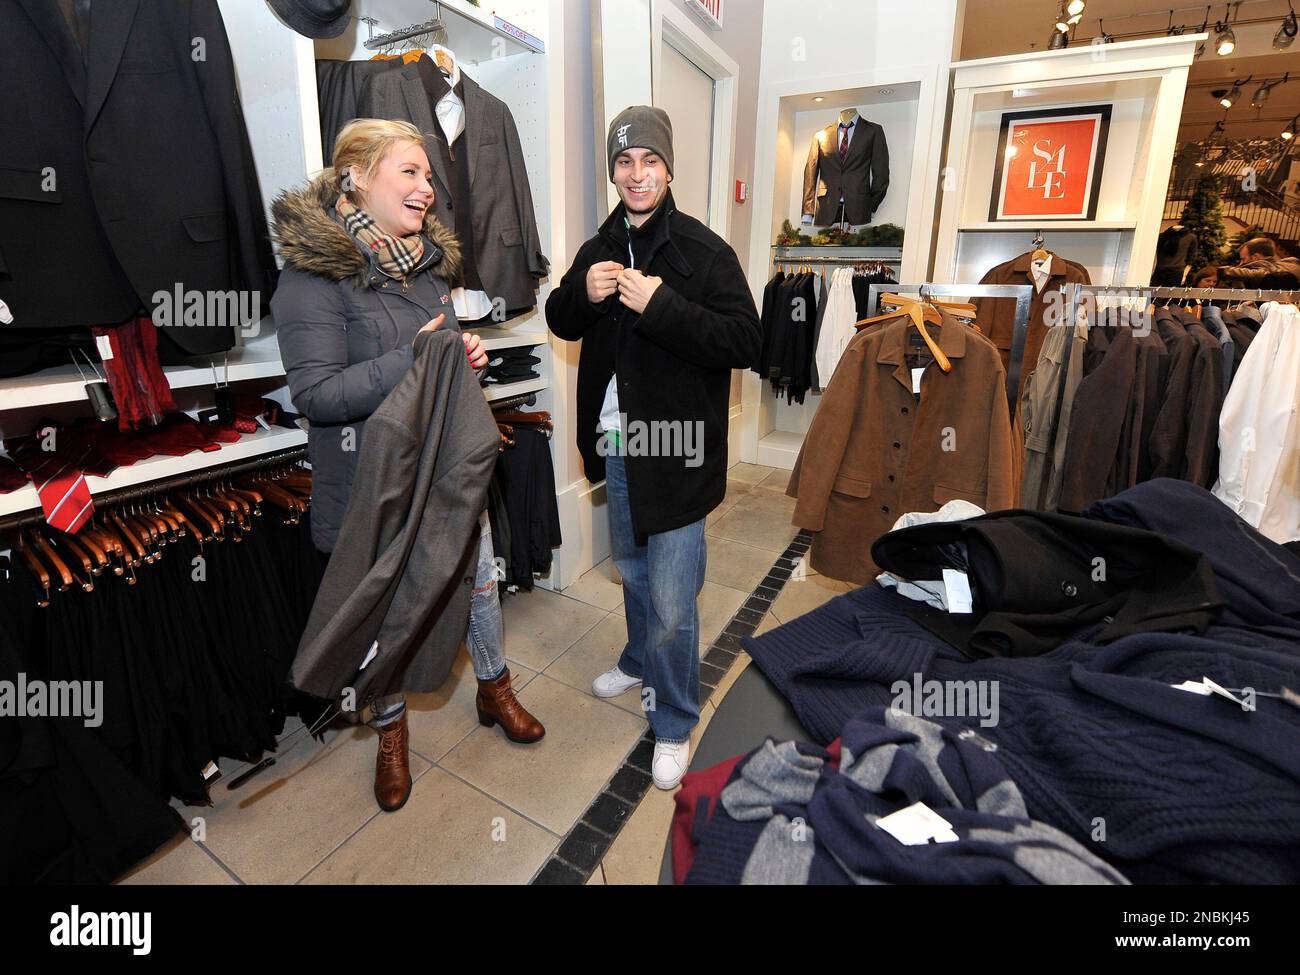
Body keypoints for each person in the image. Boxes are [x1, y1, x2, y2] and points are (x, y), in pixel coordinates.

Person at [271, 119, 544, 813]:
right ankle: (390, 736)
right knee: (387, 610)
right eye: (411, 173)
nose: (428, 189)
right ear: (356, 177)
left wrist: (463, 356)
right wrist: (418, 356)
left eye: (429, 176)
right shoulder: (311, 277)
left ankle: (494, 684)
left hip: (444, 466)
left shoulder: (425, 266)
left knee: (477, 578)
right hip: (373, 482)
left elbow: (439, 357)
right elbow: (319, 395)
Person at [545, 106, 762, 790]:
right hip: (619, 441)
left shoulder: (702, 251)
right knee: (632, 573)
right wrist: (584, 290)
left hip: (679, 449)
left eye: (650, 161)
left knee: (673, 597)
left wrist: (662, 304)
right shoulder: (601, 244)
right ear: (614, 170)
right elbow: (559, 316)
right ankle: (639, 661)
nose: (636, 174)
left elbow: (746, 343)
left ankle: (673, 719)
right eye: (624, 161)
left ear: (669, 169)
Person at [1218, 236, 1300, 289]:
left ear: (1256, 257)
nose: (1241, 264)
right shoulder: (1292, 265)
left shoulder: (1268, 271)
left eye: (1243, 259)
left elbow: (1263, 274)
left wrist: (1226, 271)